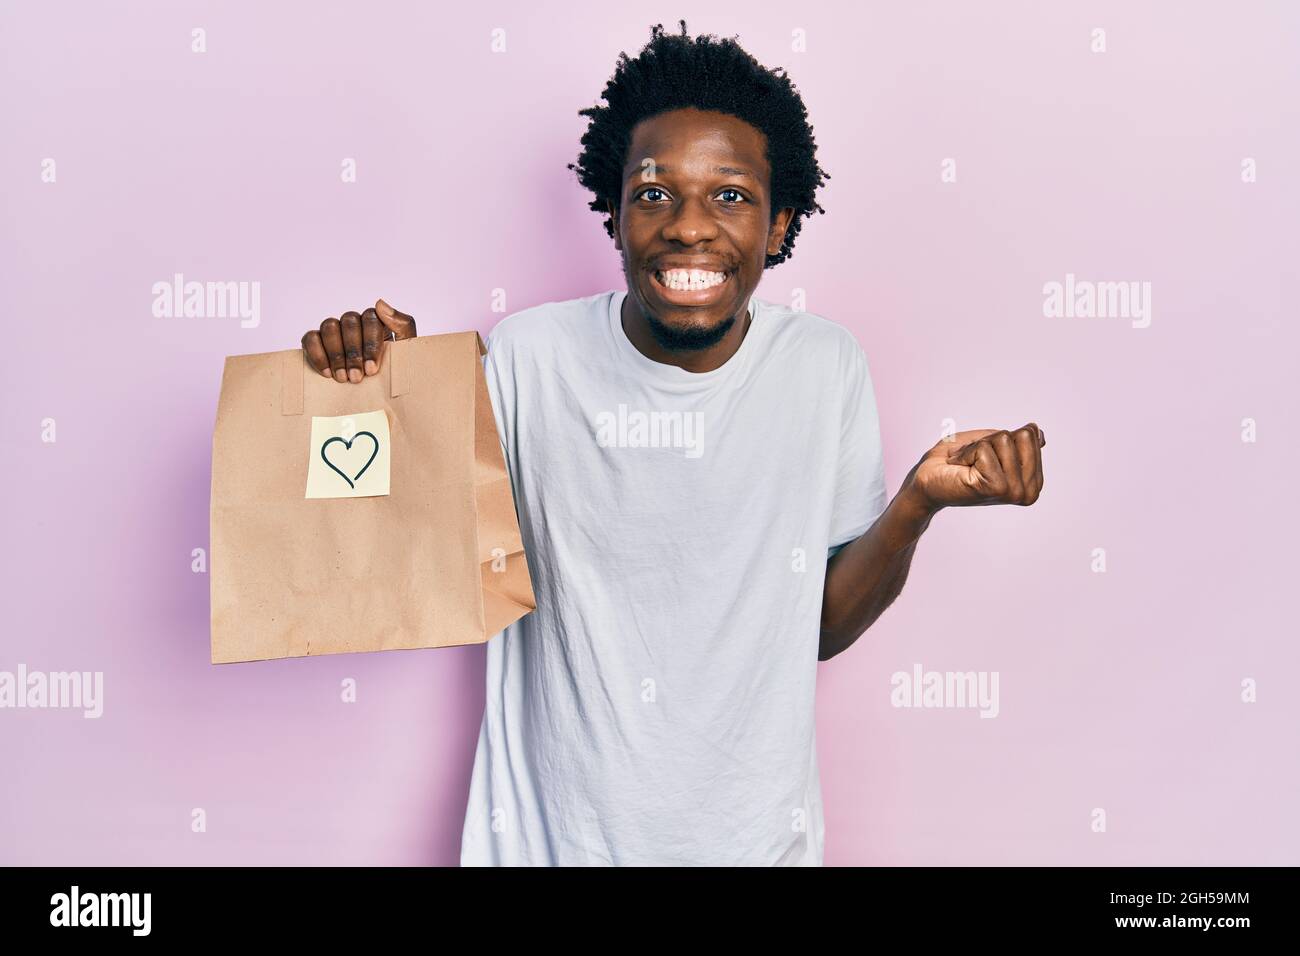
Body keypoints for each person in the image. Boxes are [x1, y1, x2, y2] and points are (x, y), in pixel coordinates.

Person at [297, 21, 1046, 866]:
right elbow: (413, 565)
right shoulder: (526, 357)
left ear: (778, 224)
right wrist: (379, 387)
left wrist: (915, 506)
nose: (690, 227)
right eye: (654, 193)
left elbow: (821, 630)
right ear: (614, 215)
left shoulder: (824, 366)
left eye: (729, 195)